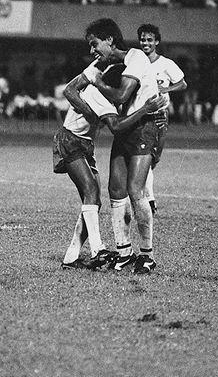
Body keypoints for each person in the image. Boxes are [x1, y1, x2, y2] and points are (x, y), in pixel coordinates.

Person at [57, 61, 167, 270]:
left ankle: (71, 258)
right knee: (91, 191)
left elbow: (73, 91)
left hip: (83, 144)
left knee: (93, 201)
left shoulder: (95, 87)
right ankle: (98, 249)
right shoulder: (102, 98)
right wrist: (146, 109)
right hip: (71, 141)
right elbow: (116, 126)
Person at [82, 18, 163, 274]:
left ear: (109, 40)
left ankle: (147, 255)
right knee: (115, 189)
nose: (92, 51)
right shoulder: (120, 65)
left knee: (135, 189)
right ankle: (125, 252)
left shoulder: (137, 57)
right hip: (127, 128)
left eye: (95, 45)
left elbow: (121, 96)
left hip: (144, 127)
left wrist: (95, 81)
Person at [137, 24, 187, 216]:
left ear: (156, 42)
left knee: (154, 159)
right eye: (143, 39)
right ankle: (148, 198)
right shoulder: (136, 62)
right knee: (144, 157)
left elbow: (182, 83)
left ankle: (146, 194)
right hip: (141, 115)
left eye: (149, 40)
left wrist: (164, 90)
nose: (146, 43)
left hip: (159, 116)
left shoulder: (166, 64)